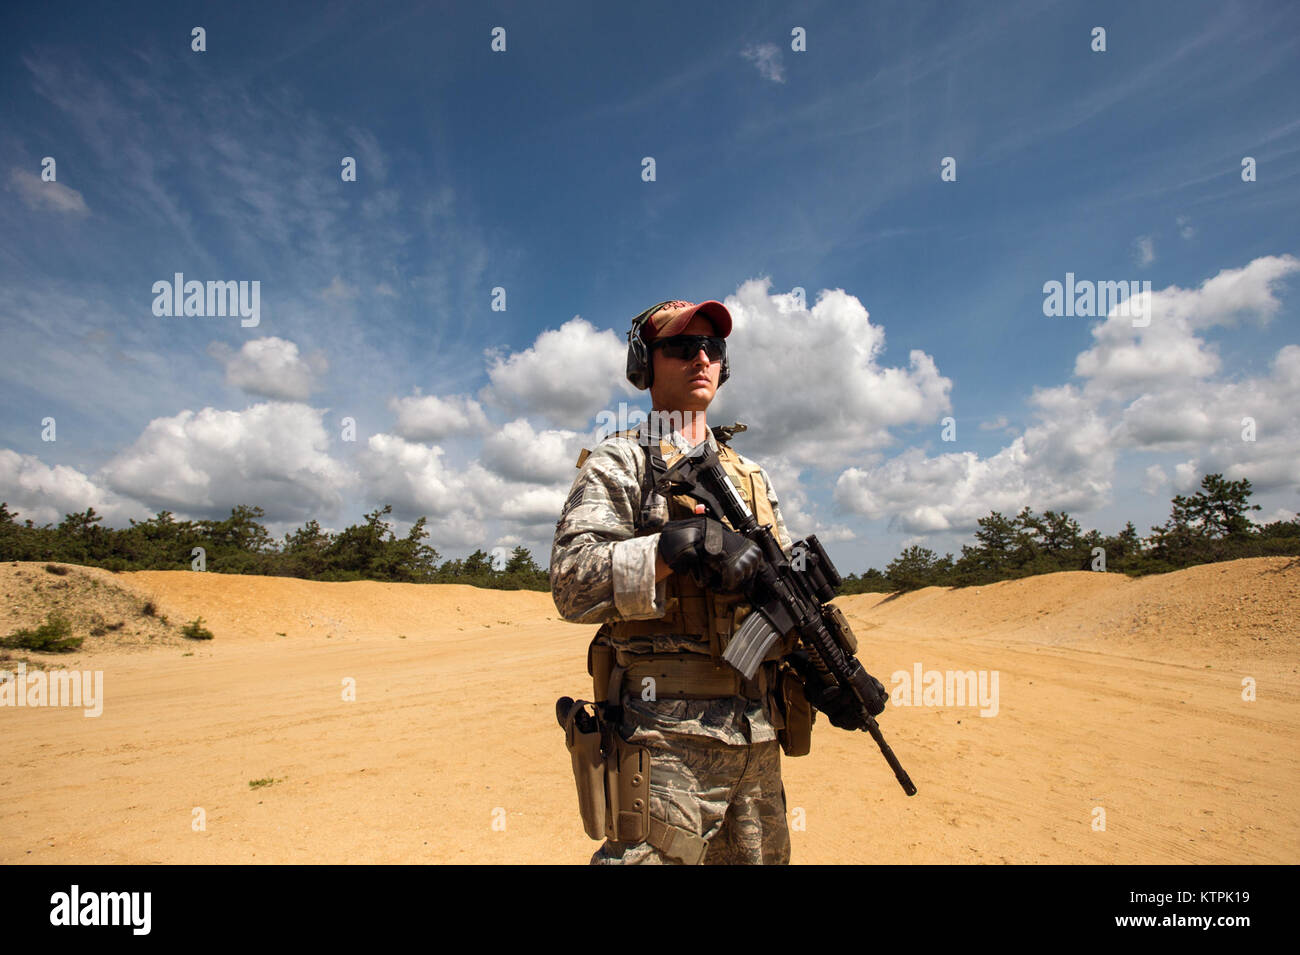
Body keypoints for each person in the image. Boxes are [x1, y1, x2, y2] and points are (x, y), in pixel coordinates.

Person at [550, 298, 805, 865]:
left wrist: (822, 666)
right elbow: (570, 583)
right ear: (645, 364)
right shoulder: (623, 461)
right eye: (681, 347)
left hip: (758, 737)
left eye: (712, 348)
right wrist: (674, 547)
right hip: (665, 740)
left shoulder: (750, 475)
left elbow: (785, 591)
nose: (700, 358)